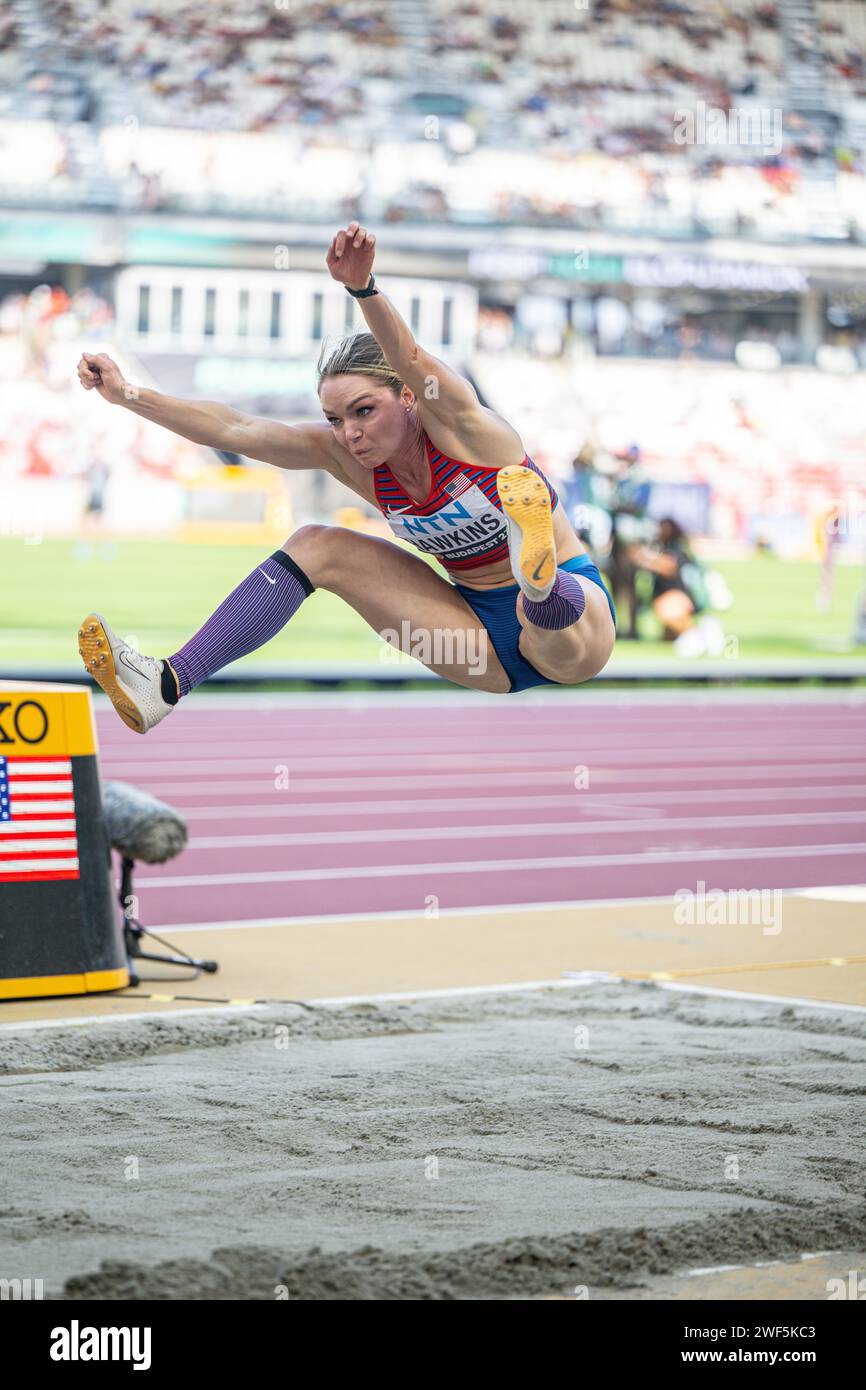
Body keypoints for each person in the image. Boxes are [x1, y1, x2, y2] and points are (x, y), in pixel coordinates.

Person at [75, 221, 616, 733]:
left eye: (363, 411)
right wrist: (129, 395)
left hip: (578, 623)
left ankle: (541, 585)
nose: (348, 433)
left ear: (408, 396)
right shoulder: (347, 459)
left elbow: (409, 356)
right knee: (316, 544)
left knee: (548, 630)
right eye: (335, 419)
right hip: (475, 637)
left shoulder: (466, 430)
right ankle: (166, 683)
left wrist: (364, 289)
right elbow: (236, 428)